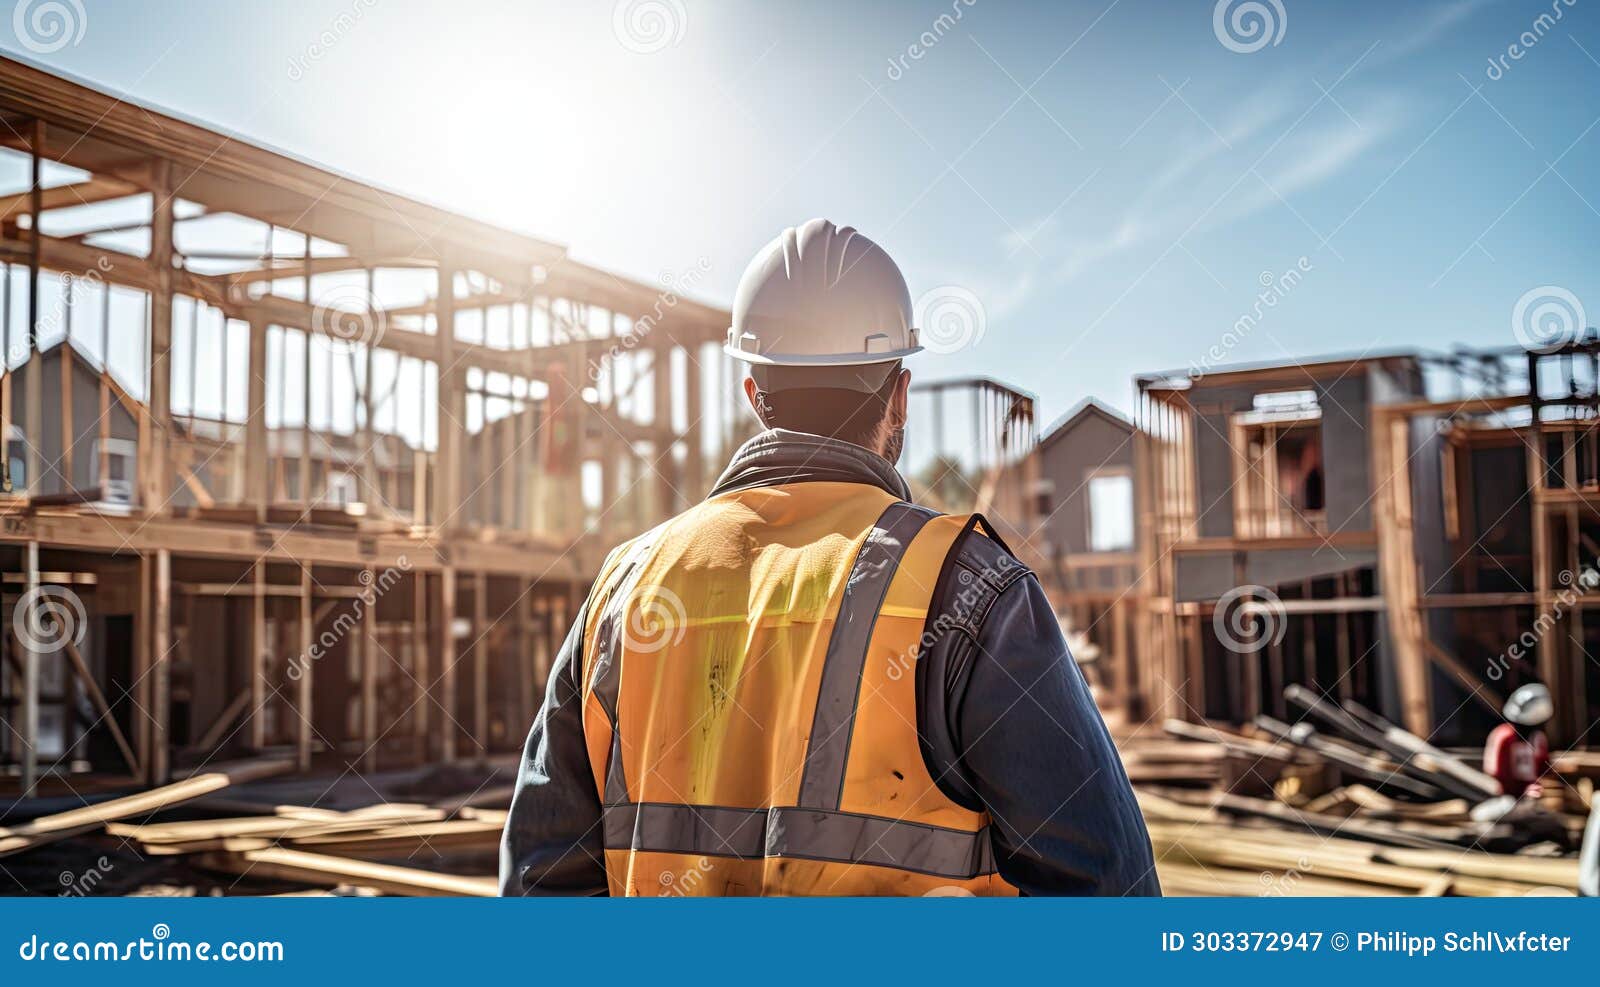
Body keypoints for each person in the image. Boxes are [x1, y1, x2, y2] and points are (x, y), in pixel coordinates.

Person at [500, 219, 1158, 897]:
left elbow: (540, 884)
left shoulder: (623, 590)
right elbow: (1110, 889)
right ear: (899, 397)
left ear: (754, 398)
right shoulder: (970, 588)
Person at [1483, 683, 1552, 798]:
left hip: (1535, 797)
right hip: (1508, 797)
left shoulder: (1538, 739)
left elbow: (1544, 768)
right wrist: (1522, 790)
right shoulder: (1504, 737)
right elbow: (1496, 772)